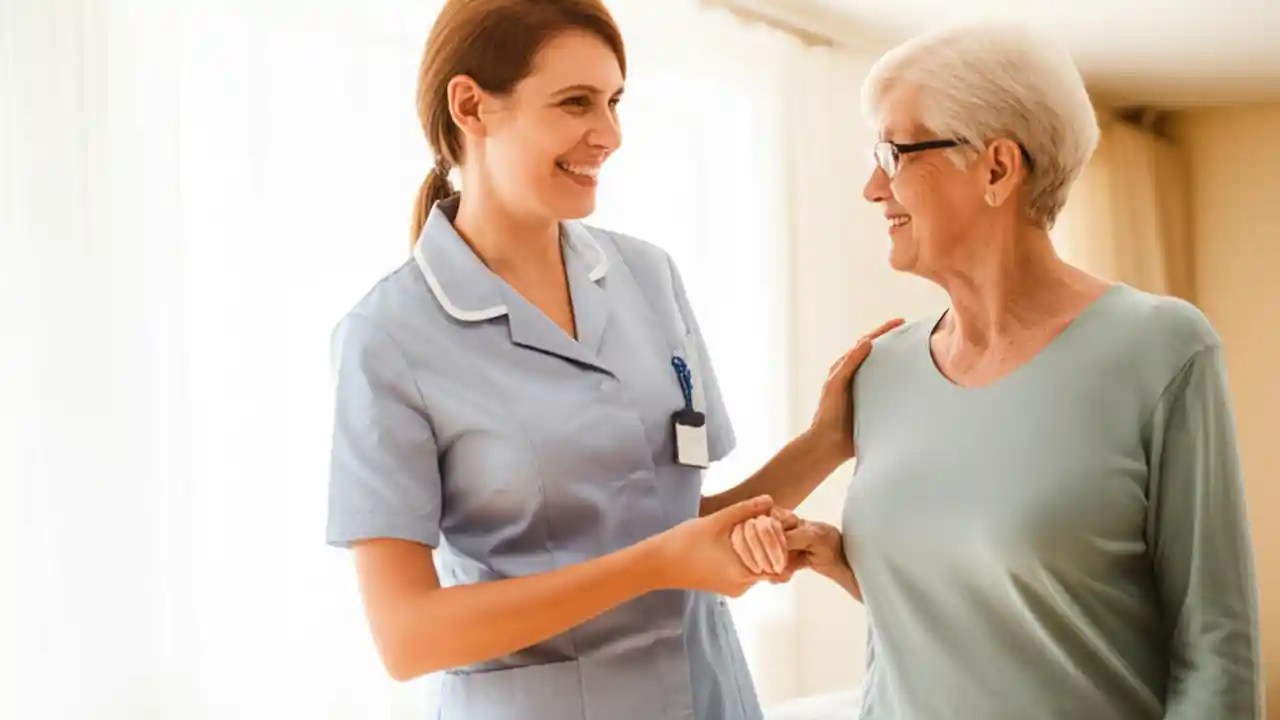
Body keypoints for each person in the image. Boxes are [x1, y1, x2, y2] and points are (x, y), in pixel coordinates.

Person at [324, 1, 898, 718]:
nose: (610, 135)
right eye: (576, 104)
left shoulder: (647, 277)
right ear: (471, 105)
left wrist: (828, 440)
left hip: (708, 696)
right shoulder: (389, 338)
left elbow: (683, 522)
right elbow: (408, 636)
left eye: (615, 101)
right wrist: (656, 565)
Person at [737, 21, 1263, 720]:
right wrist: (848, 560)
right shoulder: (881, 371)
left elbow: (1216, 647)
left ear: (996, 168)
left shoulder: (1160, 348)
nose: (871, 187)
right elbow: (981, 616)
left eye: (894, 153)